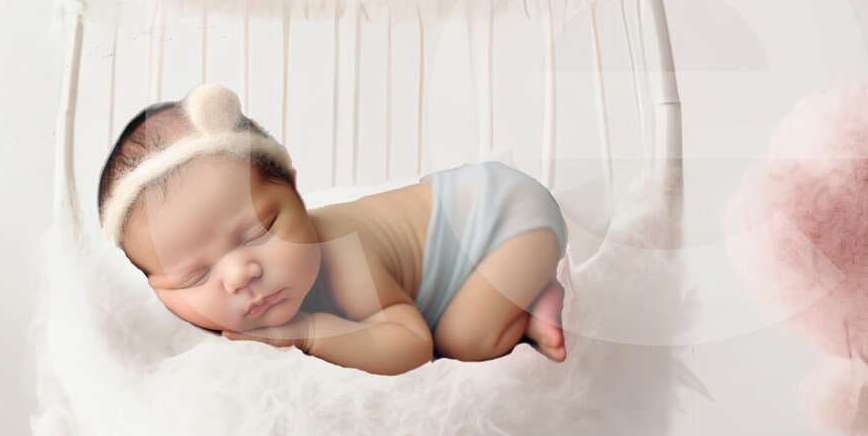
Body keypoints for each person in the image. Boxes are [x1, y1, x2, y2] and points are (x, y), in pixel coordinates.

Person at [98, 83, 568, 377]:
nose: (240, 274)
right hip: (463, 220)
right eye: (195, 276)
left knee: (463, 339)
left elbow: (412, 345)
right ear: (160, 291)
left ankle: (530, 304)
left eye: (257, 233)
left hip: (502, 220)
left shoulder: (342, 254)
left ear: (296, 194)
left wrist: (308, 332)